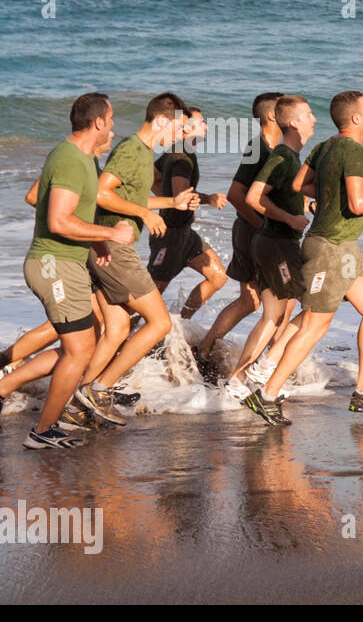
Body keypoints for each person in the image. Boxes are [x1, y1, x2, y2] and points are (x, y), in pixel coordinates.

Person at [242, 91, 363, 425]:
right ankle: (267, 394)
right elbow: (359, 204)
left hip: (346, 247)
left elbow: (300, 184)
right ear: (356, 119)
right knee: (316, 323)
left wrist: (332, 195)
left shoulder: (325, 147)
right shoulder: (355, 152)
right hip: (328, 248)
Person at [0, 93, 132, 448]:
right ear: (98, 122)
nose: (115, 125)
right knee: (79, 349)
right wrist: (110, 233)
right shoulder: (72, 160)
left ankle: (6, 390)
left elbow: (44, 201)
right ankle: (42, 432)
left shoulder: (82, 159)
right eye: (112, 118)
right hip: (53, 264)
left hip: (65, 264)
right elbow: (58, 220)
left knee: (80, 345)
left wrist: (95, 242)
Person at [74, 92, 195, 427]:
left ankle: (78, 404)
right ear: (160, 121)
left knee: (117, 328)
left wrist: (172, 203)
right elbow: (101, 192)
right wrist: (142, 211)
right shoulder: (133, 150)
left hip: (106, 246)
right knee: (160, 323)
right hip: (113, 248)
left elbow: (130, 196)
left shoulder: (143, 153)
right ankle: (99, 389)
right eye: (176, 128)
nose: (178, 136)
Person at [225, 95, 315, 399]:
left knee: (276, 314)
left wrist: (307, 205)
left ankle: (248, 379)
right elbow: (248, 197)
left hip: (273, 240)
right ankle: (255, 373)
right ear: (286, 120)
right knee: (304, 308)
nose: (314, 119)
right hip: (274, 242)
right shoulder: (276, 154)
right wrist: (286, 220)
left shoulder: (285, 155)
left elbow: (276, 195)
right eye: (309, 114)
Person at [197, 92, 283, 366]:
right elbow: (235, 194)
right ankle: (270, 366)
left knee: (251, 301)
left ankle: (205, 350)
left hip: (248, 231)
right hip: (253, 233)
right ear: (272, 116)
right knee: (282, 302)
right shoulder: (259, 149)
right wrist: (263, 226)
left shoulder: (266, 149)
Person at [147, 106, 229, 329]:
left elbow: (154, 178)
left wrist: (168, 201)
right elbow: (180, 195)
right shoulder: (182, 158)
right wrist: (208, 198)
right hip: (170, 235)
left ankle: (181, 324)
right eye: (201, 123)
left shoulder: (176, 152)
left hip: (185, 234)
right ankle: (124, 337)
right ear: (185, 128)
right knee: (150, 296)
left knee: (218, 277)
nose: (206, 127)